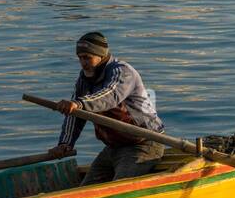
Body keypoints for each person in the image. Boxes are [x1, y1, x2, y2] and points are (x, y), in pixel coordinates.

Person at [48, 32, 167, 184]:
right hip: (114, 147)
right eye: (80, 58)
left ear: (101, 56)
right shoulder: (84, 79)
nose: (83, 63)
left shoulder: (122, 71)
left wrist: (79, 104)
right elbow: (75, 115)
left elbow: (109, 97)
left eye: (87, 58)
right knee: (85, 189)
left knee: (119, 187)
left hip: (144, 143)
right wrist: (65, 144)